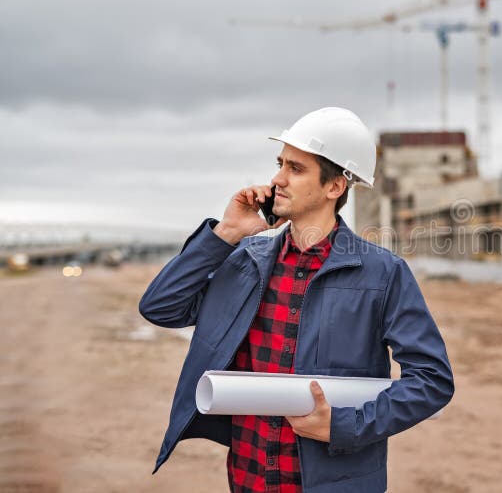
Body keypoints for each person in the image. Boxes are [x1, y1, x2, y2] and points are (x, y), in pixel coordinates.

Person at [139, 107, 454, 493]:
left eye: (296, 168)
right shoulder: (245, 261)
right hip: (249, 478)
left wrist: (345, 426)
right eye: (280, 164)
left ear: (335, 187)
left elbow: (432, 380)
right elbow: (160, 306)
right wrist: (226, 233)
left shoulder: (382, 274)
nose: (277, 179)